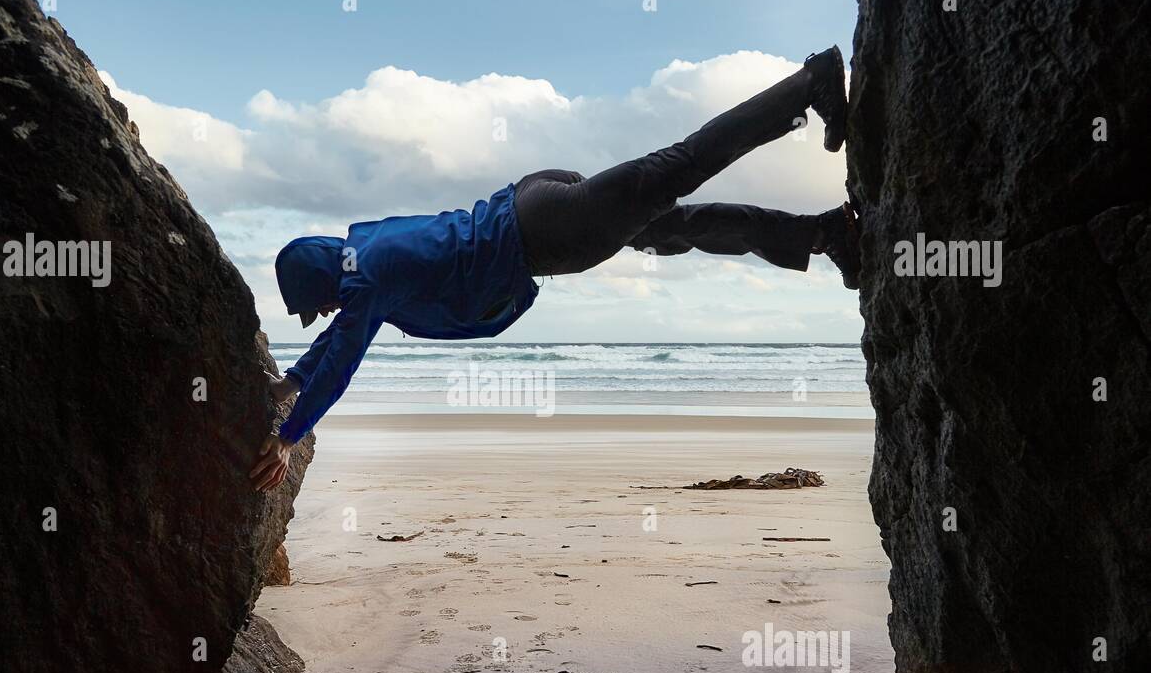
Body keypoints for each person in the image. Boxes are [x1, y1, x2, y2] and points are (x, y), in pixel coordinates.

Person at [250, 46, 859, 492]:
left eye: (315, 302)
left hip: (550, 235)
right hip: (535, 201)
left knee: (679, 166)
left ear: (322, 281)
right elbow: (339, 337)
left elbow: (344, 355)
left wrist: (288, 434)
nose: (321, 315)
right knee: (679, 228)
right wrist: (288, 385)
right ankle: (824, 234)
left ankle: (811, 82)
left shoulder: (371, 279)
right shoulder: (364, 254)